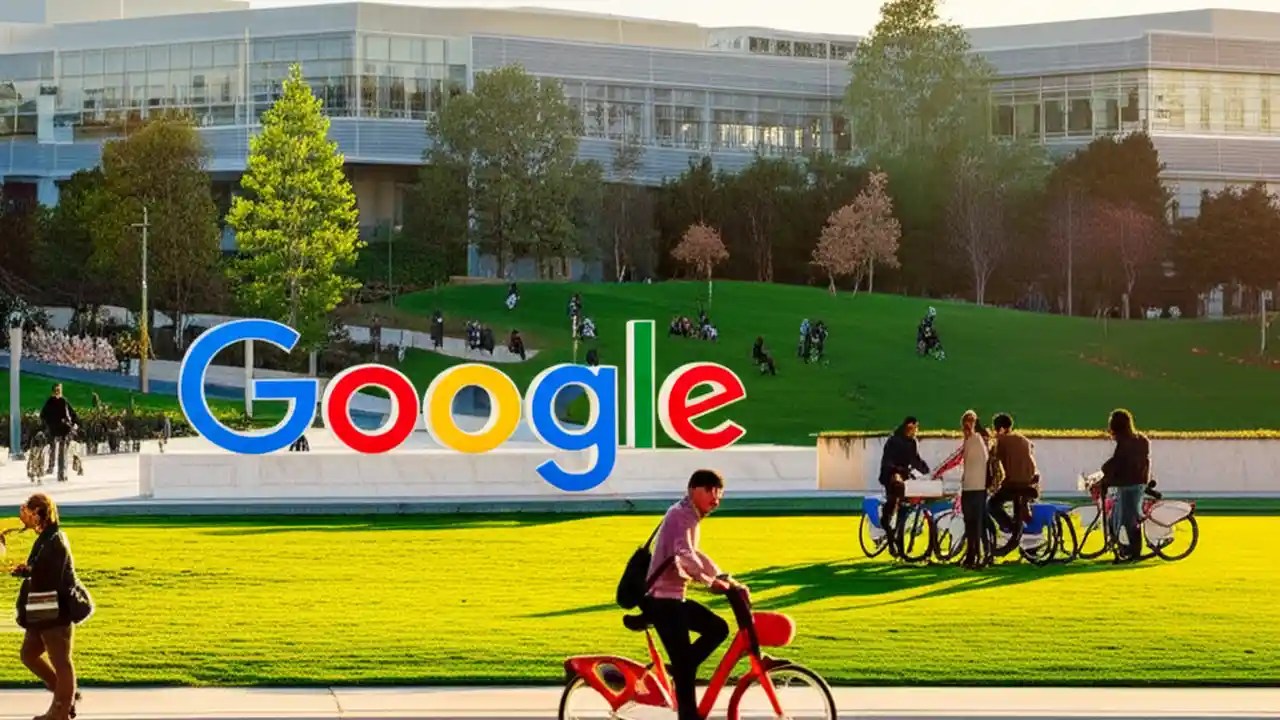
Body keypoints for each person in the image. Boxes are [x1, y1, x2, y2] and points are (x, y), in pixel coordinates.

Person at [641, 470, 744, 720]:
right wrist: (709, 582)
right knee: (687, 664)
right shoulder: (681, 515)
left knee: (717, 629)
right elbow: (685, 554)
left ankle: (681, 669)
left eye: (719, 493)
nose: (716, 499)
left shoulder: (689, 514)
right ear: (693, 490)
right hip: (662, 600)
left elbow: (695, 553)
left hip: (674, 599)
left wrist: (722, 576)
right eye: (710, 491)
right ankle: (683, 683)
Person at [11, 494, 86, 720]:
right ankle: (66, 693)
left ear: (39, 513)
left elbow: (50, 577)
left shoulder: (56, 540)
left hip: (56, 611)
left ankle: (61, 710)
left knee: (61, 661)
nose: (24, 514)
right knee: (29, 654)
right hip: (40, 609)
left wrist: (28, 571)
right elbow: (39, 571)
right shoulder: (45, 537)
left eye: (28, 510)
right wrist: (26, 571)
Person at [933, 411, 990, 569]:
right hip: (973, 488)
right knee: (973, 523)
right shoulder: (979, 440)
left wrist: (936, 472)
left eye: (968, 424)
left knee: (974, 524)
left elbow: (955, 459)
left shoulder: (975, 440)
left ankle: (975, 556)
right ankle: (974, 555)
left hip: (974, 488)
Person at [1099, 409, 1151, 562]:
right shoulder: (1141, 440)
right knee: (1127, 517)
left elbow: (1118, 462)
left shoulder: (1124, 442)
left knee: (1127, 519)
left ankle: (1132, 551)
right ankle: (1126, 549)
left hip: (1128, 484)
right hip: (1139, 483)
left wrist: (1104, 472)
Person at [878, 416, 930, 556]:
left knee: (903, 511)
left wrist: (929, 471)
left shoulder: (912, 442)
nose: (915, 431)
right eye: (914, 427)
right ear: (908, 426)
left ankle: (899, 547)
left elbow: (916, 460)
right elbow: (887, 460)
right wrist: (897, 470)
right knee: (890, 509)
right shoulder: (893, 441)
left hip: (904, 478)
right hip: (892, 477)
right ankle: (891, 539)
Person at [988, 413, 1040, 534]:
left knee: (992, 505)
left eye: (995, 429)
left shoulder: (1002, 440)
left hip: (1014, 484)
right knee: (1021, 507)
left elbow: (992, 460)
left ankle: (1011, 529)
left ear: (1000, 429)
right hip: (1031, 482)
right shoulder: (1024, 440)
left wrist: (992, 483)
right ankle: (1027, 531)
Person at [39, 385, 79, 483]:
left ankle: (61, 473)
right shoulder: (52, 402)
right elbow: (43, 415)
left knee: (62, 451)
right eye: (56, 390)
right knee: (55, 449)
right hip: (55, 429)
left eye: (59, 390)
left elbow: (73, 415)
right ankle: (53, 468)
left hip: (63, 430)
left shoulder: (63, 401)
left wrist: (73, 424)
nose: (57, 392)